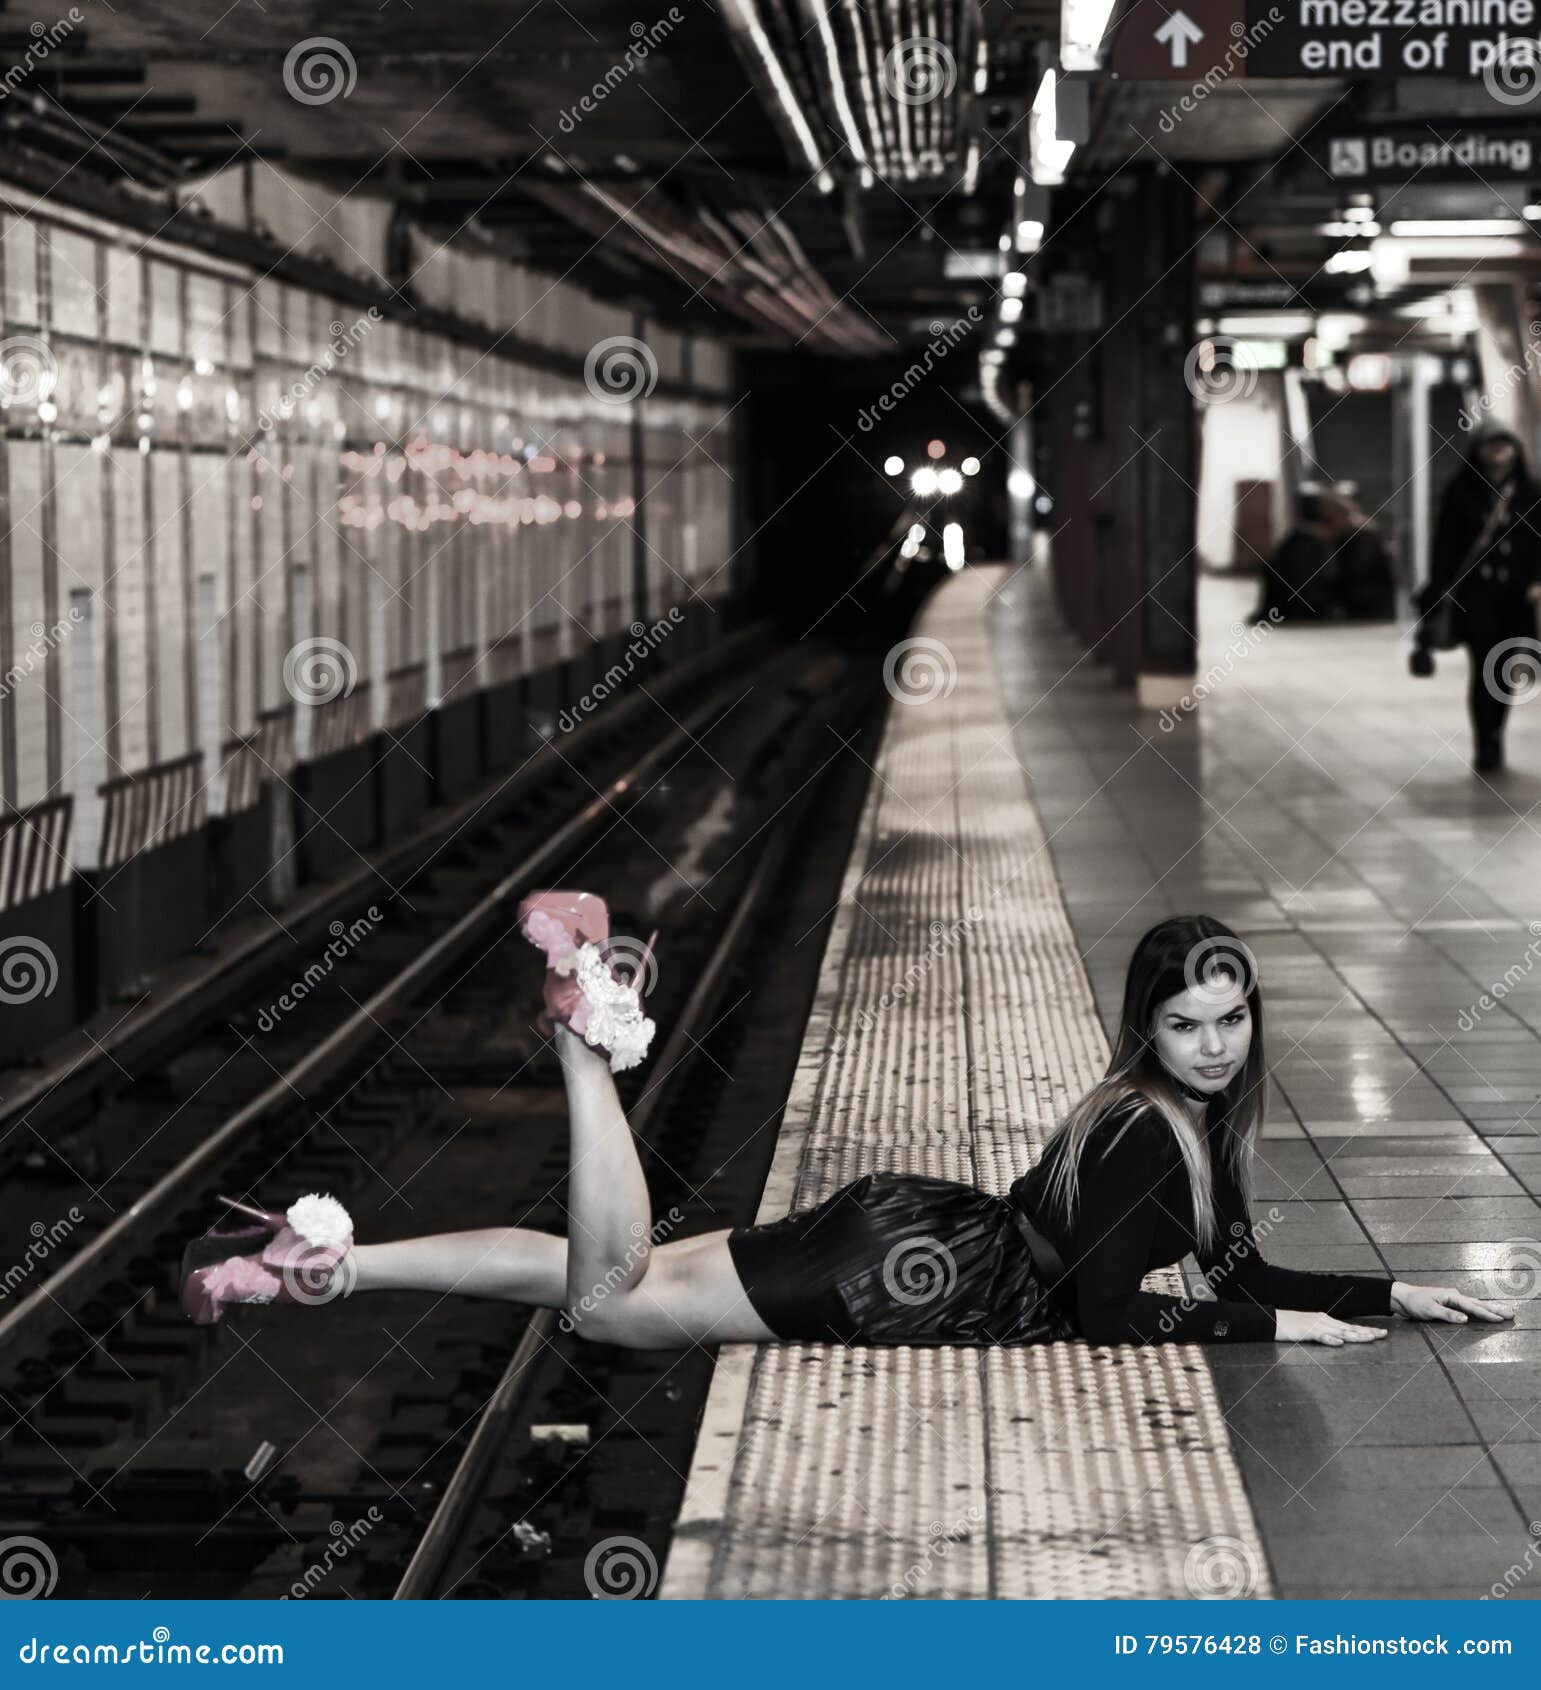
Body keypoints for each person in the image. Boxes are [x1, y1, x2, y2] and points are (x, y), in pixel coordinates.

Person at [180, 900, 1513, 1350]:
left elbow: (1237, 1268)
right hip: (909, 1274)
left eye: (1228, 1020)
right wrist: (1275, 1329)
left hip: (918, 1232)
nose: (1212, 1044)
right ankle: (586, 1052)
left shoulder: (1186, 1121)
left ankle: (332, 1261)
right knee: (607, 1304)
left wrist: (1390, 1292)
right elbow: (1110, 1313)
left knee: (607, 1274)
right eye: (1185, 1024)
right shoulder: (1138, 1132)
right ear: (1144, 1029)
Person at [1413, 420, 1541, 773]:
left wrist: (1536, 579)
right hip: (1476, 596)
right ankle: (1485, 741)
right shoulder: (1461, 492)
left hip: (1515, 595)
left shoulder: (1531, 493)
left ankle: (1496, 731)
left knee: (1504, 669)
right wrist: (1438, 588)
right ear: (1478, 451)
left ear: (1516, 451)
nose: (1498, 451)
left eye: (1505, 445)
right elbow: (1445, 545)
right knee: (1484, 665)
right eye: (1491, 445)